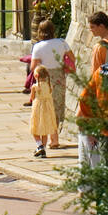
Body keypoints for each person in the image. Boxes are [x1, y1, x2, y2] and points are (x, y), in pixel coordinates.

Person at [29, 20, 74, 149]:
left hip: (44, 80)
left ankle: (46, 139)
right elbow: (72, 58)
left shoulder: (38, 46)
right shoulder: (61, 43)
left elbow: (33, 67)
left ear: (40, 31)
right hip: (59, 78)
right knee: (57, 107)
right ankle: (55, 139)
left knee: (46, 108)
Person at [76, 11, 108, 168]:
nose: (91, 31)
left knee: (89, 150)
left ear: (101, 26)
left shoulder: (100, 48)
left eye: (93, 27)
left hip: (102, 95)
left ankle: (88, 184)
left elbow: (95, 75)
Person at [30, 65, 57, 158]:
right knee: (44, 131)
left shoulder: (35, 86)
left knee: (35, 129)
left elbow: (32, 98)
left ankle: (39, 145)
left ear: (36, 75)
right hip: (47, 110)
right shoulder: (49, 86)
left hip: (38, 109)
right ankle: (43, 149)